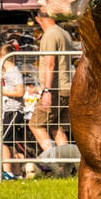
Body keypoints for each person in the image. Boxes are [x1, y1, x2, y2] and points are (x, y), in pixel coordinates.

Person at [28, 10, 74, 152]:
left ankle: (53, 159)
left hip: (55, 89)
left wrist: (47, 90)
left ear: (37, 18)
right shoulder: (64, 33)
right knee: (56, 126)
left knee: (35, 124)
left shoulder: (49, 35)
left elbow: (50, 64)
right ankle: (66, 165)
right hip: (66, 87)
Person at [0, 42, 28, 180]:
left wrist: (2, 92)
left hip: (14, 111)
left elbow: (20, 92)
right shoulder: (8, 74)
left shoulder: (13, 72)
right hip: (8, 110)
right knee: (8, 142)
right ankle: (14, 172)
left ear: (3, 57)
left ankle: (7, 172)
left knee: (2, 140)